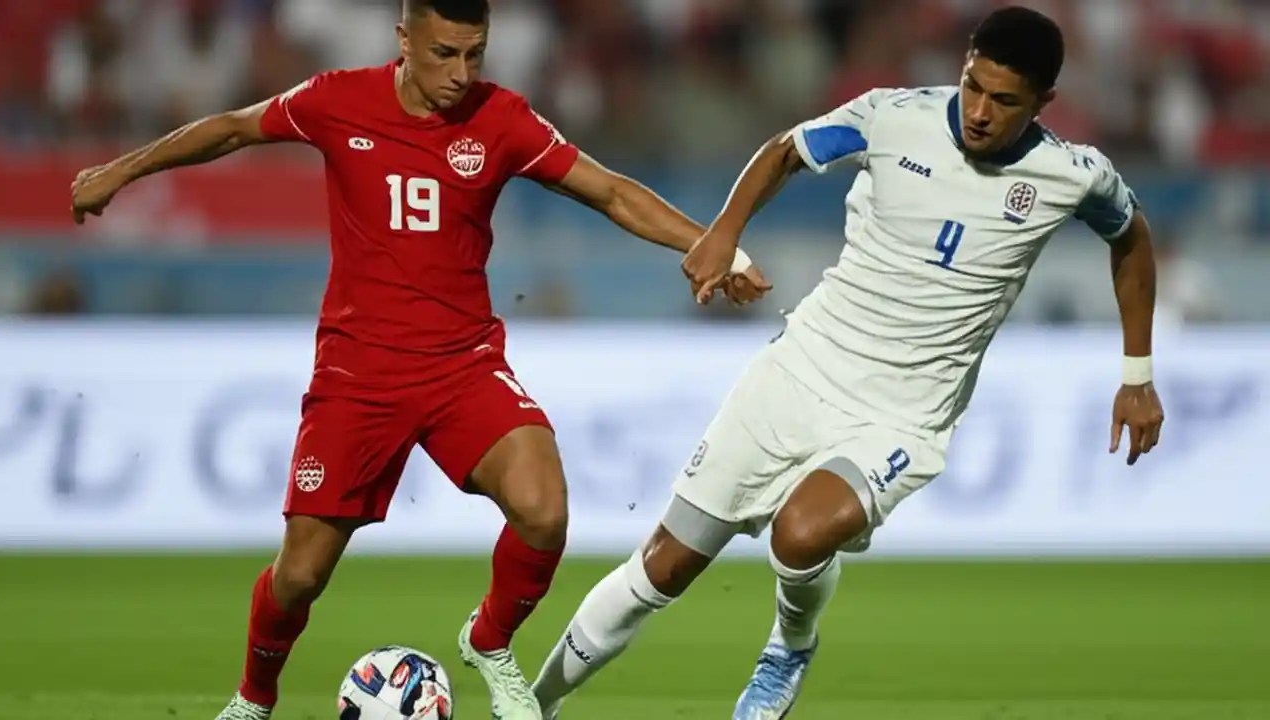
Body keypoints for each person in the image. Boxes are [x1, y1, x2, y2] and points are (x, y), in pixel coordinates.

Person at [68, 2, 771, 719]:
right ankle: (253, 698)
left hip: (462, 367)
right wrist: (119, 172)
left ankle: (489, 641)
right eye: (444, 55)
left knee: (543, 511)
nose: (461, 74)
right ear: (403, 41)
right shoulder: (336, 100)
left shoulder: (500, 119)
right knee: (301, 575)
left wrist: (716, 245)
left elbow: (611, 191)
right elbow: (231, 128)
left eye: (476, 54)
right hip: (357, 377)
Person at [530, 6, 1166, 719]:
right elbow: (785, 150)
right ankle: (533, 705)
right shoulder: (891, 119)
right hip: (802, 370)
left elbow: (1132, 238)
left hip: (901, 416)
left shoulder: (1072, 174)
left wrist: (1137, 373)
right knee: (662, 567)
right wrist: (722, 233)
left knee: (798, 535)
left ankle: (788, 647)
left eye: (1005, 100)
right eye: (973, 86)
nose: (981, 111)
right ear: (963, 66)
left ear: (1045, 103)